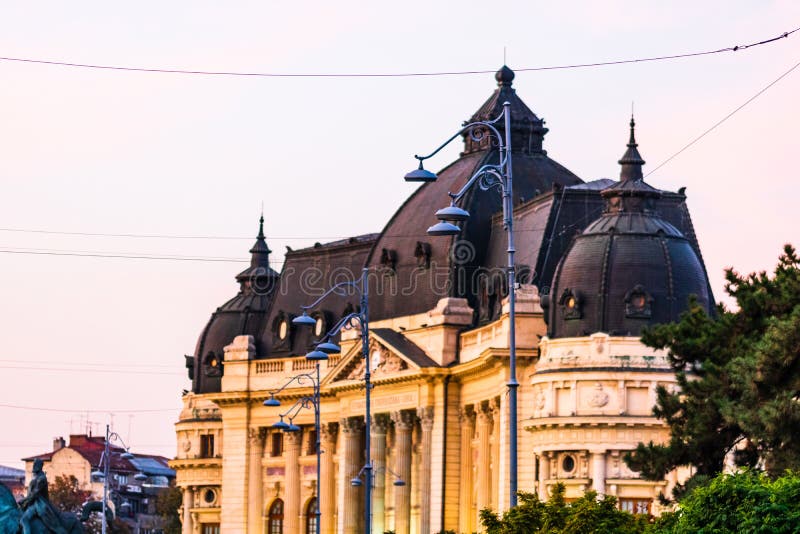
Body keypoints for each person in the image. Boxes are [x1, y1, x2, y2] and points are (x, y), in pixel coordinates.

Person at [18, 459, 67, 534]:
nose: (34, 467)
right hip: (33, 503)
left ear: (39, 466)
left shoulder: (42, 478)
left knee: (24, 520)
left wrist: (24, 500)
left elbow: (35, 493)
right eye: (34, 464)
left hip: (40, 504)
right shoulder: (36, 476)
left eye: (35, 465)